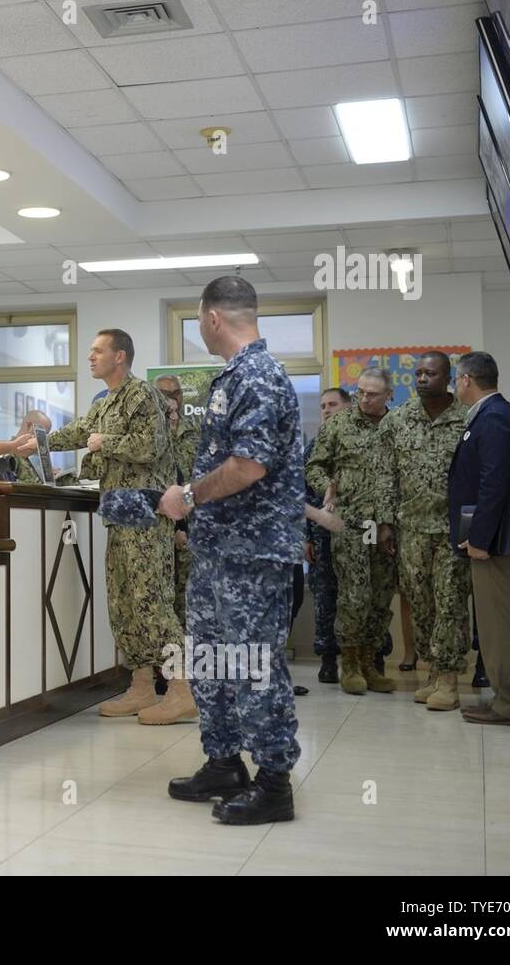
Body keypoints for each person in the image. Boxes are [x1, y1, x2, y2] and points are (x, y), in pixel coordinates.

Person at [158, 275, 304, 825]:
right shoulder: (233, 377)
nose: (199, 329)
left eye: (197, 320)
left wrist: (188, 496)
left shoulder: (260, 378)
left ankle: (273, 782)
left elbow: (248, 466)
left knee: (253, 664)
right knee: (211, 659)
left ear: (212, 318)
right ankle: (223, 762)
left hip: (253, 551)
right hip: (218, 549)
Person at [49, 329, 187, 723]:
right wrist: (37, 442)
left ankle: (181, 688)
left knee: (152, 601)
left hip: (145, 512)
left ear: (120, 356)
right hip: (119, 510)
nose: (90, 357)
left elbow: (150, 446)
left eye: (97, 351)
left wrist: (102, 443)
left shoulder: (143, 395)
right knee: (125, 602)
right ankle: (141, 686)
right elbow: (79, 431)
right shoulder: (107, 400)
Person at [448, 351, 510, 726]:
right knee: (501, 623)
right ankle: (509, 698)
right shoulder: (496, 416)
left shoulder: (493, 419)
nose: (456, 386)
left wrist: (480, 538)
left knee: (500, 625)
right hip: (503, 540)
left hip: (498, 544)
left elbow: (494, 485)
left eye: (457, 379)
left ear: (466, 380)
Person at [383, 352, 470, 710]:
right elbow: (386, 475)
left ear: (447, 377)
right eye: (417, 373)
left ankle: (449, 679)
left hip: (452, 529)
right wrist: (386, 522)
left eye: (430, 373)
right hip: (412, 529)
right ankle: (432, 671)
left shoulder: (467, 418)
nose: (421, 379)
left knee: (450, 602)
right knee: (420, 605)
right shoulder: (399, 419)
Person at [305, 366, 398, 696]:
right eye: (360, 392)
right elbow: (314, 466)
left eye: (372, 394)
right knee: (353, 598)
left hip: (387, 528)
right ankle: (351, 664)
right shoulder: (340, 425)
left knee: (380, 599)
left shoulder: (397, 425)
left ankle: (371, 663)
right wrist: (326, 488)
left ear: (389, 395)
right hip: (351, 526)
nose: (364, 399)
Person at [305, 386, 350, 683]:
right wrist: (306, 537)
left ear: (348, 407)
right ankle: (328, 658)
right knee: (325, 597)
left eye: (332, 404)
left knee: (363, 596)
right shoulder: (312, 449)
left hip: (357, 532)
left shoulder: (358, 443)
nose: (326, 410)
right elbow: (304, 495)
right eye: (322, 406)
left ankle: (367, 659)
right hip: (321, 535)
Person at [154, 375, 199, 636]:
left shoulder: (195, 429)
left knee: (189, 596)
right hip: (159, 525)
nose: (171, 398)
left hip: (194, 524)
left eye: (176, 393)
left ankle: (187, 661)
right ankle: (165, 665)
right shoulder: (149, 432)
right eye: (164, 393)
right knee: (161, 596)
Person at [9, 409, 53, 484]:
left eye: (45, 436)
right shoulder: (9, 455)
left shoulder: (38, 456)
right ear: (29, 426)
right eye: (40, 433)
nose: (42, 440)